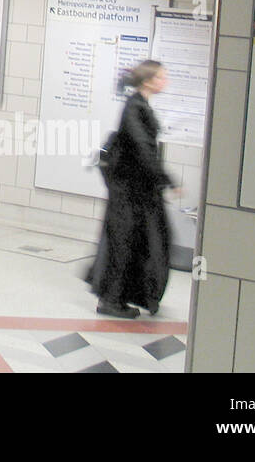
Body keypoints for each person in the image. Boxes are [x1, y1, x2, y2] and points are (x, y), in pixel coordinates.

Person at [87, 60, 182, 318]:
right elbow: (143, 148)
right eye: (162, 77)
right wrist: (166, 179)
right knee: (124, 241)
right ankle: (111, 300)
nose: (166, 81)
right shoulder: (134, 108)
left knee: (134, 240)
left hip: (135, 190)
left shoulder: (138, 106)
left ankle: (122, 296)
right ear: (149, 81)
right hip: (128, 191)